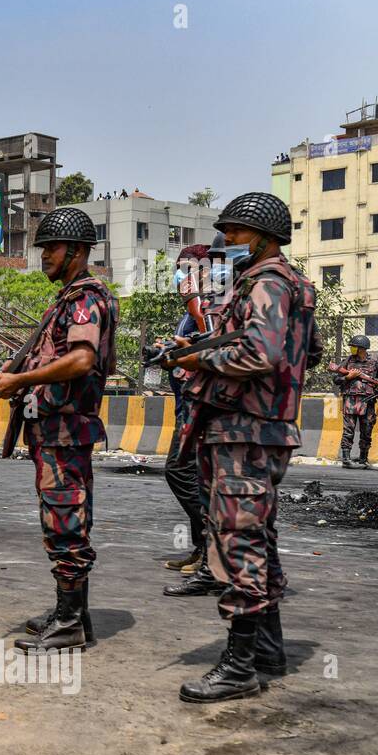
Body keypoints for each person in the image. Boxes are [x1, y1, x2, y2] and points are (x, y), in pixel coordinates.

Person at [166, 191, 321, 703]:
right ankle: (267, 650)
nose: (226, 241)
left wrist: (195, 361)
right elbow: (309, 351)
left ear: (263, 236)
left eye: (233, 233)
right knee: (258, 536)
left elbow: (260, 351)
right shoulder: (292, 285)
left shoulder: (266, 282)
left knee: (238, 542)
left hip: (244, 429)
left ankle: (238, 666)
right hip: (266, 426)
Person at [0, 208, 118, 651]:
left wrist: (22, 380)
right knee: (62, 521)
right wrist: (17, 373)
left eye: (51, 248)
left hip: (66, 432)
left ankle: (70, 625)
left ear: (78, 251)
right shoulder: (68, 298)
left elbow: (81, 360)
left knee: (65, 524)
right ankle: (72, 614)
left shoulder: (85, 297)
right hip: (54, 431)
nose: (43, 255)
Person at [160, 240, 226, 598]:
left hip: (198, 402)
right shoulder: (195, 305)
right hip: (187, 400)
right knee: (193, 476)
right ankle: (204, 550)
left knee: (184, 471)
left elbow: (211, 346)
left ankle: (211, 555)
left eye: (188, 267)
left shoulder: (211, 300)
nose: (181, 273)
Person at [333, 335, 378, 468]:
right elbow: (336, 379)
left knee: (367, 430)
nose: (352, 349)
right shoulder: (347, 361)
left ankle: (363, 459)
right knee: (348, 430)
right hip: (350, 401)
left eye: (354, 347)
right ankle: (346, 459)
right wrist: (348, 377)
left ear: (362, 349)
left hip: (368, 402)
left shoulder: (375, 363)